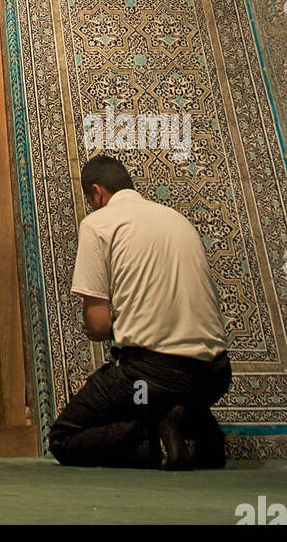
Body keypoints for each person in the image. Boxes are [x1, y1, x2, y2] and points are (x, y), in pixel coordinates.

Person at [49, 154, 231, 470]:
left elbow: (100, 324)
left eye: (90, 200)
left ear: (97, 192)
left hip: (153, 375)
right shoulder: (177, 218)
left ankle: (153, 438)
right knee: (153, 392)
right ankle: (188, 418)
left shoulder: (97, 223)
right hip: (215, 375)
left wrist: (95, 326)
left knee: (64, 438)